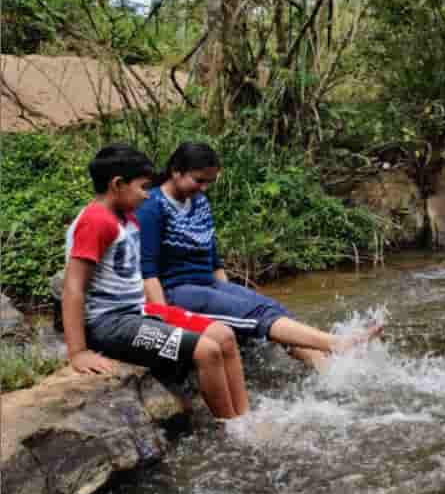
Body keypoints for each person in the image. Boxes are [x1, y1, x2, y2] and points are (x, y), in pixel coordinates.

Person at [136, 142, 380, 368]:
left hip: (206, 284)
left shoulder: (199, 201)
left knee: (271, 307)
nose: (204, 188)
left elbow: (212, 257)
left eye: (209, 182)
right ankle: (337, 343)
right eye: (199, 180)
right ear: (176, 171)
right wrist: (165, 320)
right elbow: (148, 272)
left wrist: (230, 297)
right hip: (176, 291)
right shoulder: (152, 207)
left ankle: (324, 368)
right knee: (257, 314)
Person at [63, 144, 249, 420]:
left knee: (224, 336)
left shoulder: (126, 216)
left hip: (138, 312)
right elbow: (72, 287)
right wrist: (77, 352)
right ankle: (233, 428)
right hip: (110, 324)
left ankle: (246, 417)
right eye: (143, 187)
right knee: (207, 351)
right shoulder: (96, 221)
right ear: (118, 184)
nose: (147, 194)